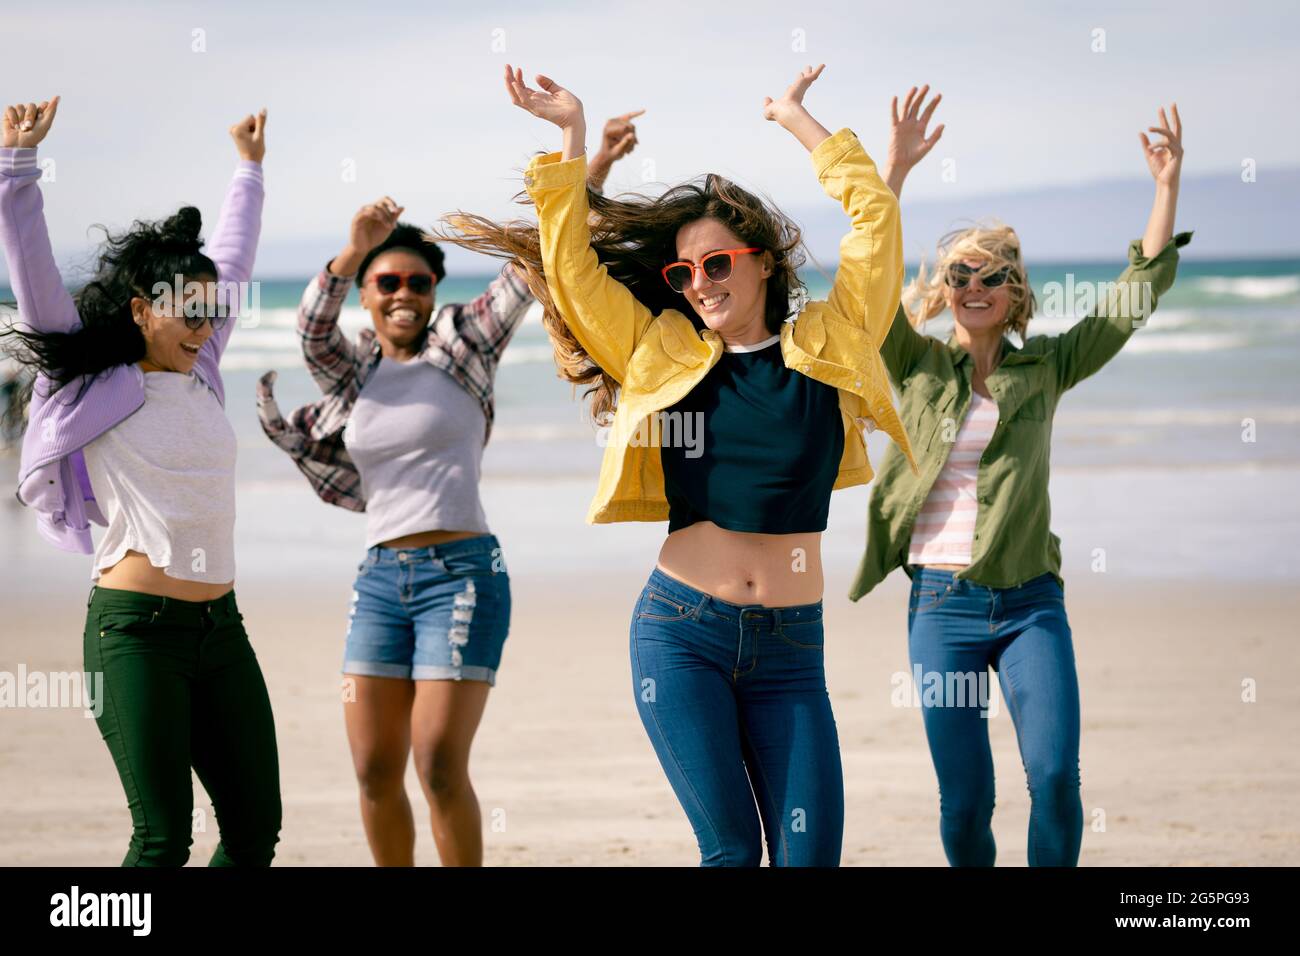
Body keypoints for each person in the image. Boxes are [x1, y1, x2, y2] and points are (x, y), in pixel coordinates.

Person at [440, 63, 915, 866]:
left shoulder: (834, 341)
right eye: (682, 273)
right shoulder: (660, 352)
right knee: (730, 853)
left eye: (718, 263)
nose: (699, 283)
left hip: (795, 647)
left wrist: (798, 120)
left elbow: (875, 218)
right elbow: (573, 274)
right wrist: (572, 138)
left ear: (763, 261)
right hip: (682, 633)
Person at [255, 118, 636, 867]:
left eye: (417, 282)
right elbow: (310, 328)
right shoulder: (351, 371)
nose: (402, 293)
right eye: (386, 282)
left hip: (464, 575)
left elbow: (534, 260)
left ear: (434, 292)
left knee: (435, 761)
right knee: (371, 768)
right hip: (378, 581)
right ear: (367, 292)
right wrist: (353, 244)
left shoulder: (466, 342)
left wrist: (590, 165)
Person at [856, 87, 1191, 866]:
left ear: (1014, 295)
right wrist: (894, 175)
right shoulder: (916, 364)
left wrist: (1165, 188)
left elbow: (1129, 302)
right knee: (966, 799)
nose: (974, 287)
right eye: (960, 276)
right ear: (945, 290)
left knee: (1055, 778)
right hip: (940, 605)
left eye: (991, 277)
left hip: (1031, 601)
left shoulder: (1047, 367)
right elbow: (868, 291)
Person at [0, 97, 281, 866]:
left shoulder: (204, 374)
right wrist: (17, 166)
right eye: (186, 312)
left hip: (223, 630)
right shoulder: (98, 382)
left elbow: (235, 254)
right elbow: (33, 277)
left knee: (255, 834)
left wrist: (249, 169)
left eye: (209, 311)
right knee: (162, 840)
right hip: (134, 631)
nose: (202, 325)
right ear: (140, 310)